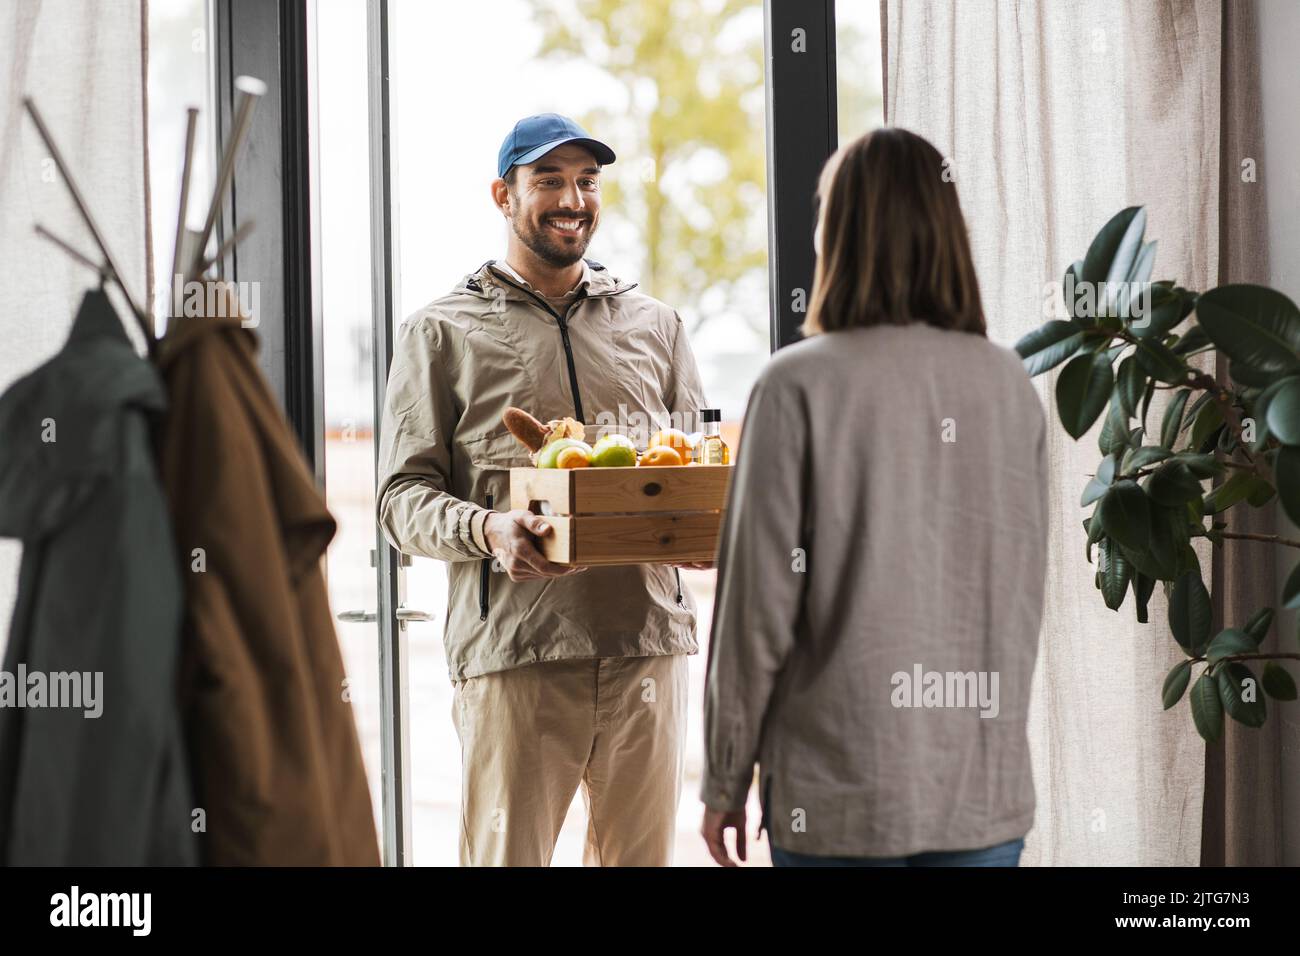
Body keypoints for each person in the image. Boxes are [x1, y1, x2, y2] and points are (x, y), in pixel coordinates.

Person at [698, 127, 1049, 867]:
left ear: (839, 233)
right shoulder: (1009, 384)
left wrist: (725, 776)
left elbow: (756, 608)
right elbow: (1017, 591)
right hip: (981, 797)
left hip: (837, 800)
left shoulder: (795, 385)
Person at [376, 113, 711, 866]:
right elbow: (401, 499)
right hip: (518, 653)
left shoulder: (656, 325)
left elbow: (691, 468)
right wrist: (490, 531)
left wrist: (701, 529)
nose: (573, 199)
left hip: (645, 645)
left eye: (587, 181)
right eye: (549, 180)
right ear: (504, 194)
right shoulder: (442, 331)